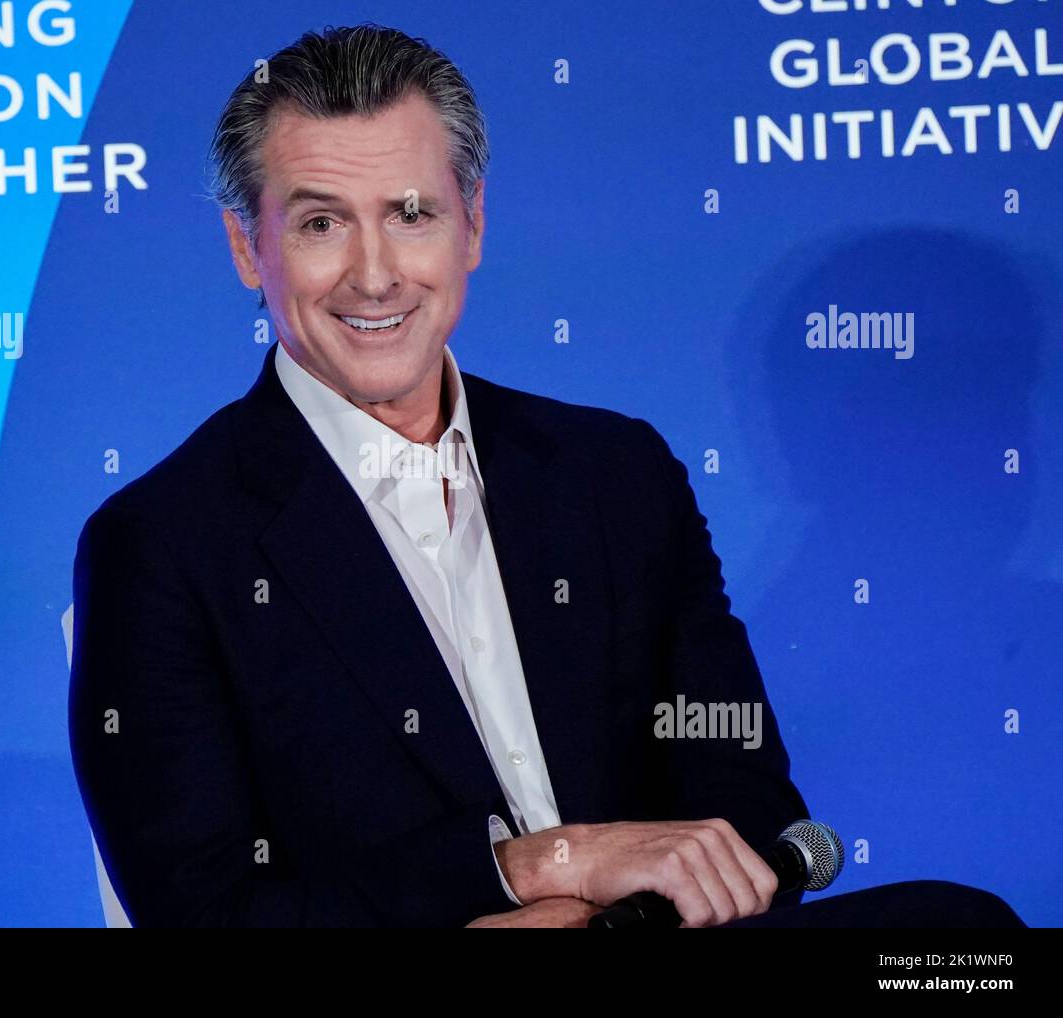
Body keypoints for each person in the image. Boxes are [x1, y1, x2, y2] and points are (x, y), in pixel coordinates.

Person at [67, 24, 1020, 929]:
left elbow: (742, 793)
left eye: (411, 214)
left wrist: (628, 913)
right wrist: (533, 872)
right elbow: (203, 914)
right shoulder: (162, 542)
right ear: (248, 249)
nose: (374, 275)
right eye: (320, 223)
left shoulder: (615, 474)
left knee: (957, 937)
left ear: (472, 226)